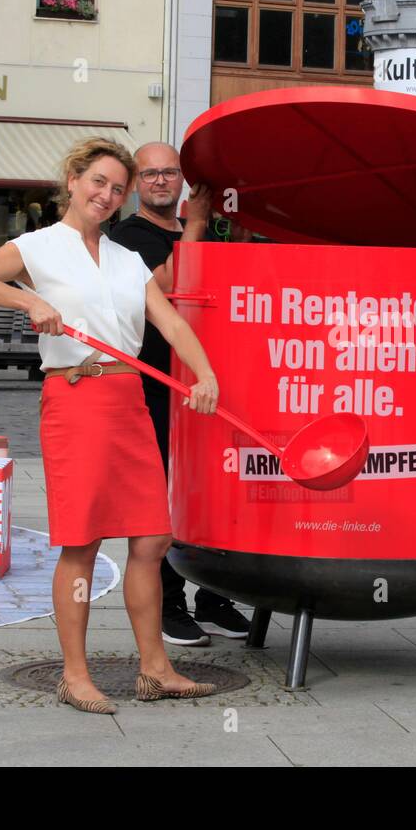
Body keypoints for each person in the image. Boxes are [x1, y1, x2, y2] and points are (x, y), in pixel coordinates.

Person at [0, 136, 221, 713]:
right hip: (76, 400)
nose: (107, 194)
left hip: (129, 402)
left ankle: (155, 669)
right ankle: (75, 675)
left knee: (151, 538)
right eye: (98, 181)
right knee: (83, 543)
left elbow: (170, 323)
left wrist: (205, 375)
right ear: (73, 180)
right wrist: (28, 304)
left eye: (118, 188)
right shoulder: (37, 246)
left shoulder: (127, 259)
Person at [108, 141, 251, 646]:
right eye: (150, 175)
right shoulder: (127, 236)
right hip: (157, 385)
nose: (161, 182)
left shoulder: (209, 229)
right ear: (136, 185)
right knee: (166, 495)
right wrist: (195, 227)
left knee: (213, 491)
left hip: (212, 381)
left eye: (170, 173)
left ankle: (214, 598)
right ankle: (168, 605)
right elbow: (168, 285)